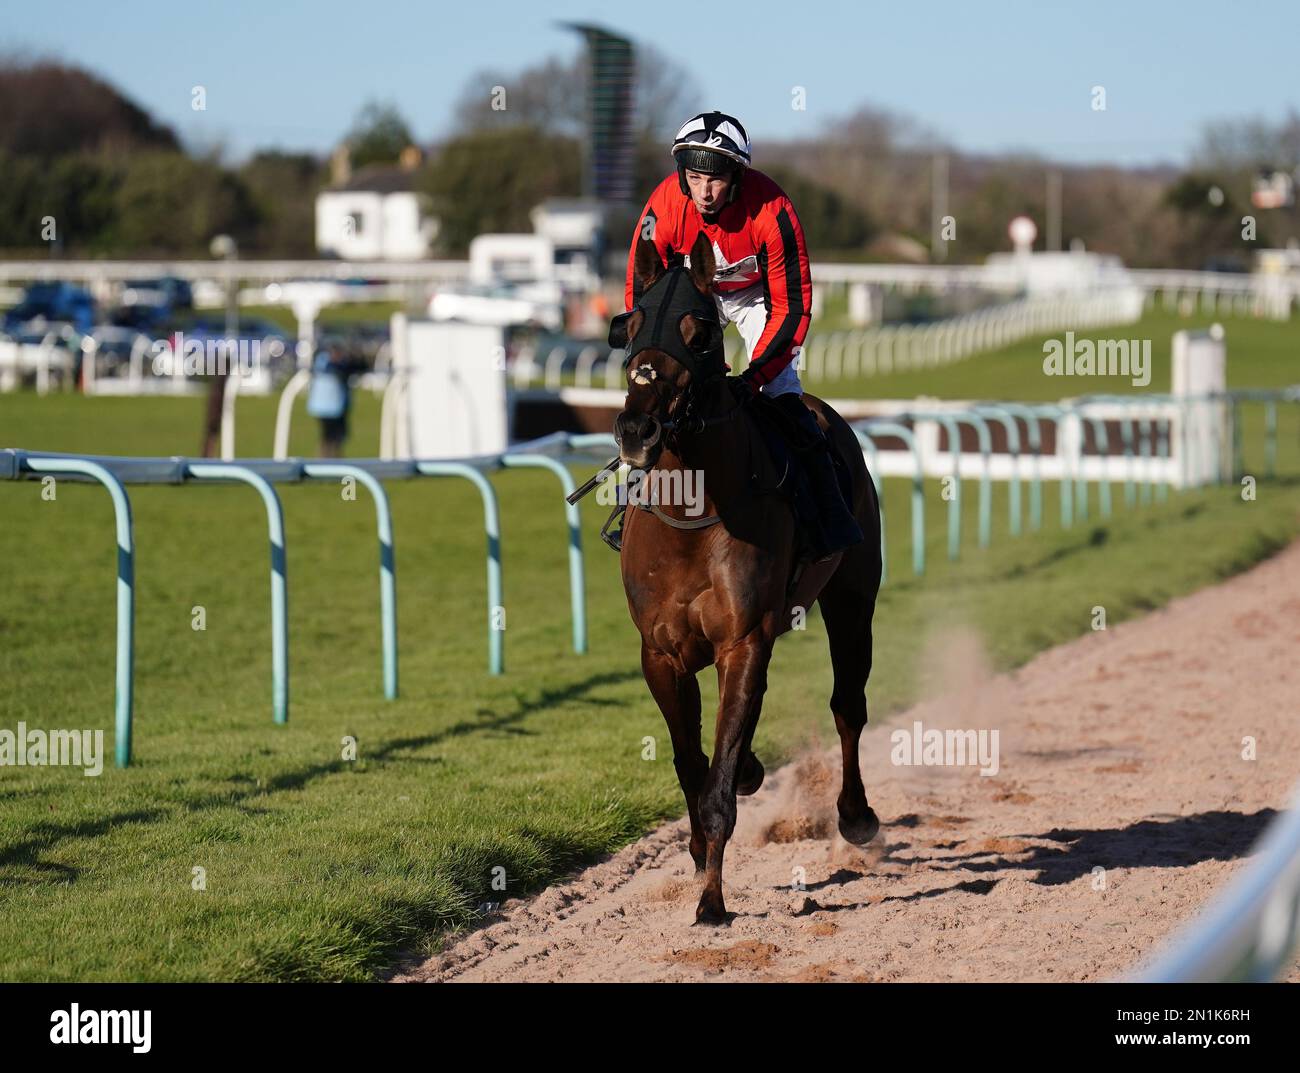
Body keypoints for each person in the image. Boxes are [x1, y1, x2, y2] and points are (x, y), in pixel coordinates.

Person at [623, 110, 863, 560]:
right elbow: (642, 294)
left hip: (758, 298)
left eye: (715, 181)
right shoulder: (663, 207)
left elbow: (792, 307)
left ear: (737, 176)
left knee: (783, 391)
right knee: (653, 391)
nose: (705, 192)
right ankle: (631, 501)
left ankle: (827, 515)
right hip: (692, 296)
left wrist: (754, 378)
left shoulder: (774, 211)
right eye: (694, 178)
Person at [306, 343, 366, 458]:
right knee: (330, 437)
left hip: (331, 407)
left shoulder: (325, 362)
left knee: (334, 438)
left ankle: (332, 461)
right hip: (330, 408)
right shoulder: (328, 364)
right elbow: (341, 370)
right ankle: (328, 461)